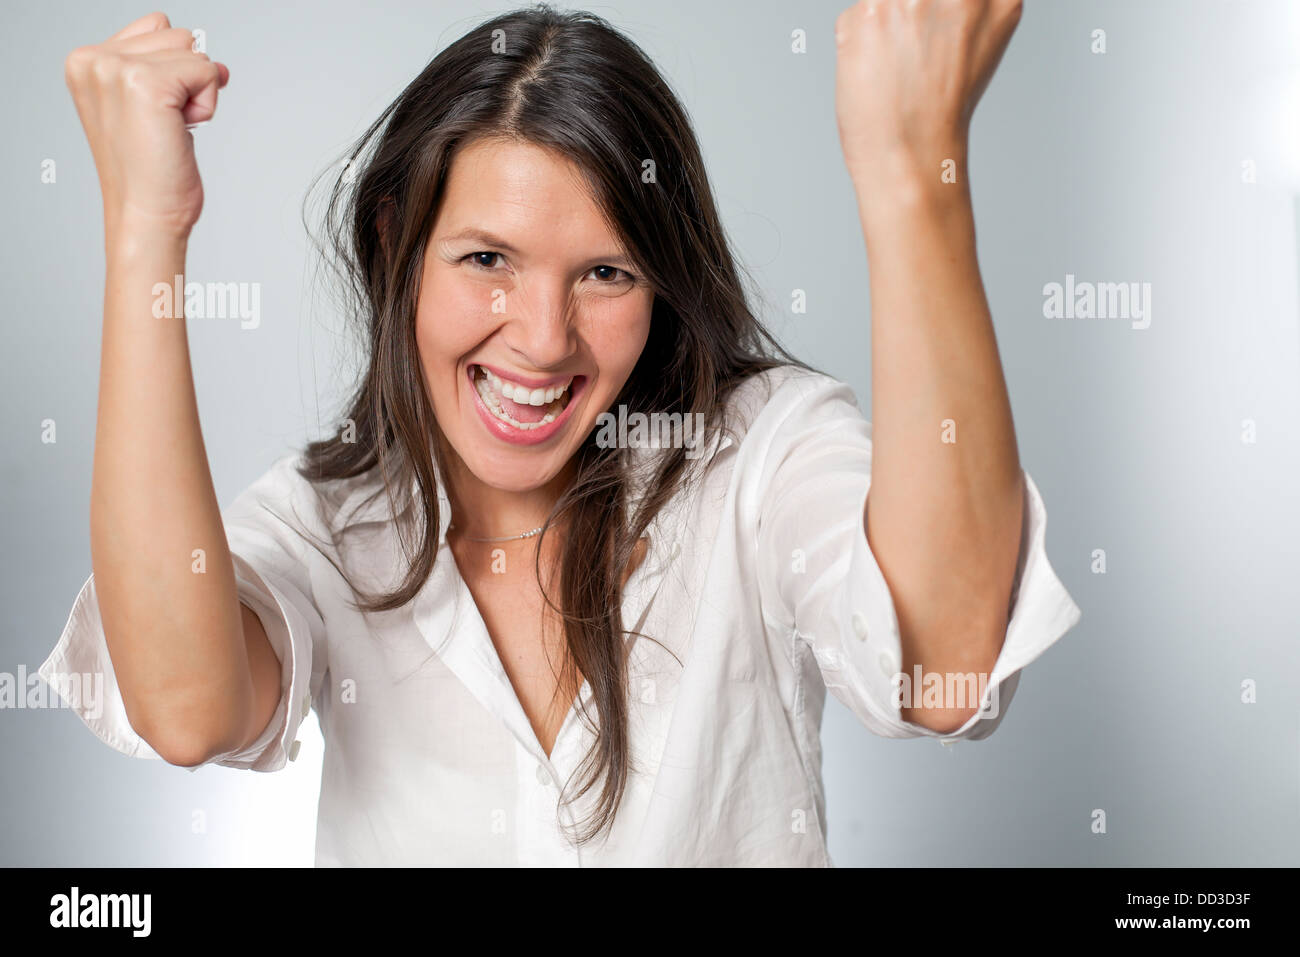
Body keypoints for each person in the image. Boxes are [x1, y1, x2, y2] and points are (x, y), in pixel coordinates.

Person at [40, 2, 1080, 865]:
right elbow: (184, 708)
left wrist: (914, 174)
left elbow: (941, 663)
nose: (542, 342)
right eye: (486, 258)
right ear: (398, 239)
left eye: (605, 272)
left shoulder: (760, 458)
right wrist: (144, 229)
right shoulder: (323, 527)